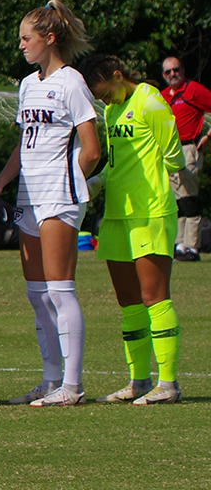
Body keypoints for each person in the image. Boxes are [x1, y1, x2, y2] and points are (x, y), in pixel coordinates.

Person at [0, 0, 101, 407]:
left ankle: (72, 385)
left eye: (26, 38)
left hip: (58, 197)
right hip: (28, 197)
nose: (21, 45)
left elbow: (92, 150)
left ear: (49, 38)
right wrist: (0, 185)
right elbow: (25, 144)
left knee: (60, 289)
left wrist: (66, 182)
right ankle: (51, 380)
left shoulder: (72, 82)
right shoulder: (27, 85)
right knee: (37, 293)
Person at [80, 54, 184, 405]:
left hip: (149, 212)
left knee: (155, 296)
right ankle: (139, 380)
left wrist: (154, 180)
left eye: (104, 91)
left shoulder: (150, 100)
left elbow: (174, 157)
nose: (103, 100)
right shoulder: (112, 112)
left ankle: (168, 384)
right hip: (116, 214)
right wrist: (95, 183)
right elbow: (115, 163)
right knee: (128, 301)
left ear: (118, 75)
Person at [160, 56, 211, 262]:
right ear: (163, 75)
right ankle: (180, 244)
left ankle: (192, 246)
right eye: (168, 71)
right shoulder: (163, 95)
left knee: (189, 197)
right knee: (178, 200)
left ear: (182, 69)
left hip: (189, 147)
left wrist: (207, 137)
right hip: (170, 150)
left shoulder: (194, 90)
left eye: (176, 69)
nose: (173, 74)